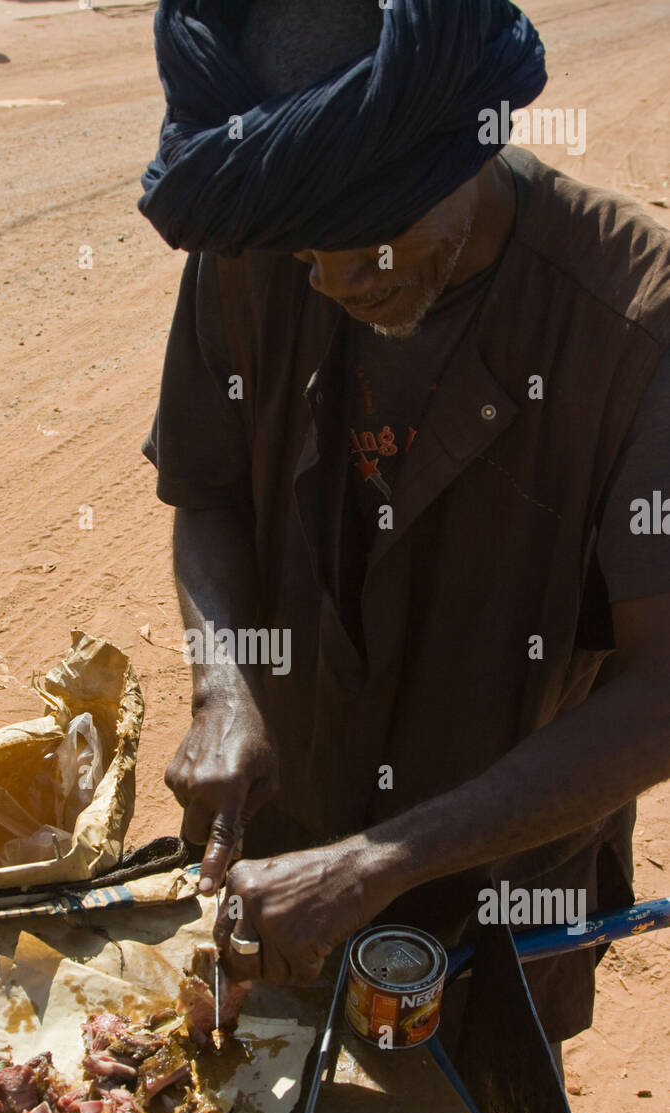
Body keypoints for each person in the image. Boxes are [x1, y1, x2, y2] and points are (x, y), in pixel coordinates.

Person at [139, 0, 670, 1050]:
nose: (338, 283)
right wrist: (225, 687)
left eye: (373, 242)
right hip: (285, 850)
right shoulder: (262, 226)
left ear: (470, 141)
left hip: (501, 895)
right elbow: (203, 488)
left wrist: (376, 863)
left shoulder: (632, 320)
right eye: (306, 261)